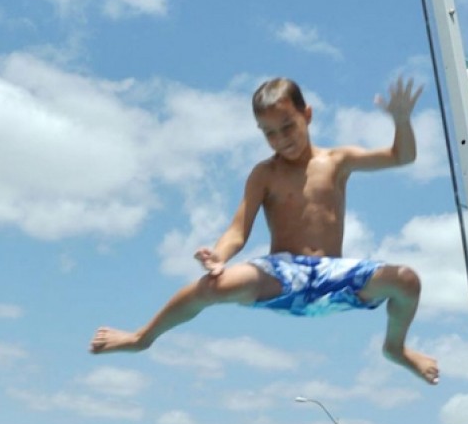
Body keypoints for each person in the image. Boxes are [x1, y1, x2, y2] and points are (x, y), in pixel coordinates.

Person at [89, 76, 440, 385]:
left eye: (287, 126)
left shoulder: (337, 161)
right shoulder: (264, 174)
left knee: (407, 280)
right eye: (269, 133)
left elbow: (401, 157)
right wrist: (218, 256)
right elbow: (238, 230)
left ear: (308, 115)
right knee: (214, 286)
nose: (280, 139)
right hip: (282, 273)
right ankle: (142, 337)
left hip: (333, 275)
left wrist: (402, 121)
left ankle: (396, 347)